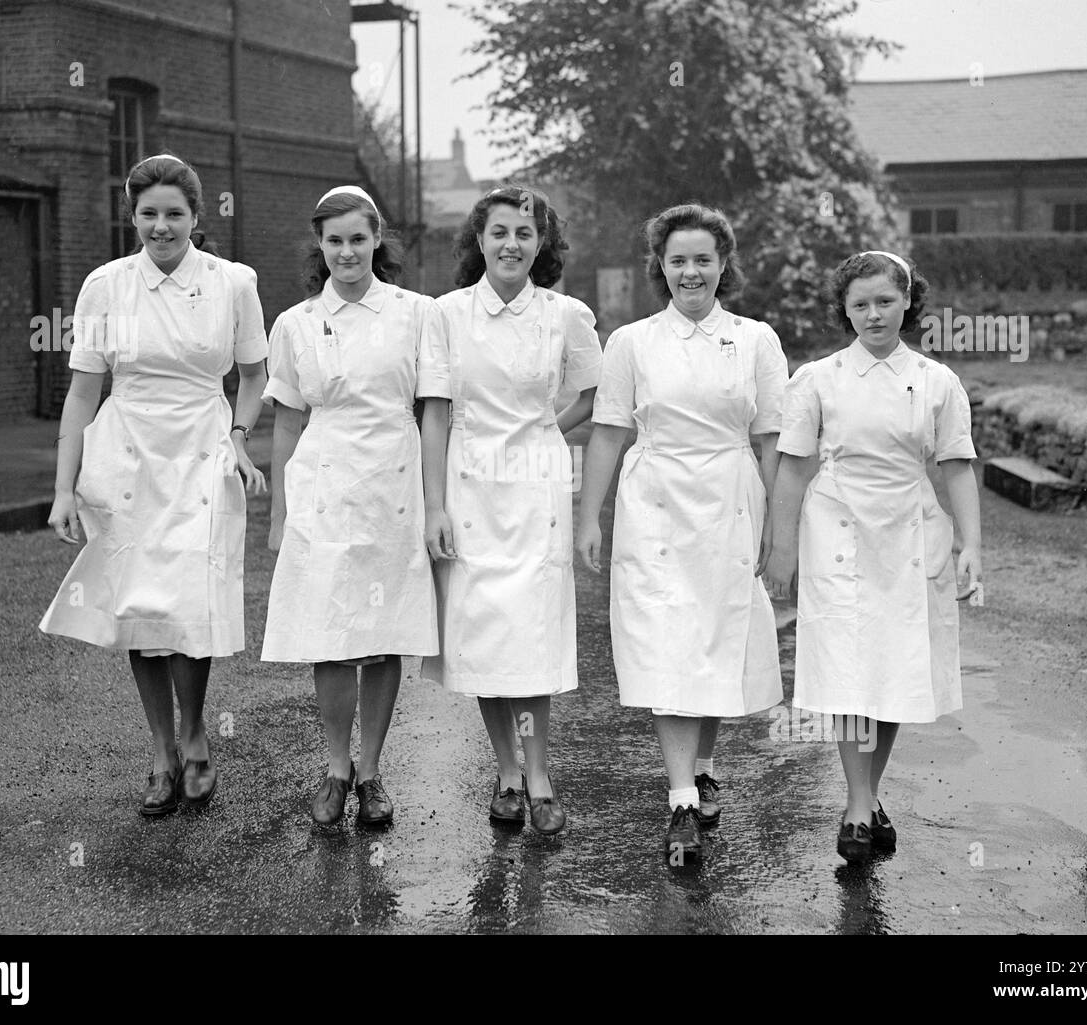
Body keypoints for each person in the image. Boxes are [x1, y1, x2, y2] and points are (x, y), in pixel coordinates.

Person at [39, 153, 269, 817]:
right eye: (149, 214)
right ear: (132, 216)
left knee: (189, 605)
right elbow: (82, 393)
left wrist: (240, 435)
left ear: (197, 218)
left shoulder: (234, 284)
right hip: (126, 454)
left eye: (174, 214)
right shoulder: (105, 286)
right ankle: (162, 750)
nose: (161, 226)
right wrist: (63, 488)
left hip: (201, 451)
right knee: (139, 606)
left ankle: (195, 731)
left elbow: (252, 375)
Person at [578, 203, 786, 860]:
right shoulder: (632, 342)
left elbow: (772, 437)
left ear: (724, 264)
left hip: (731, 498)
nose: (690, 270)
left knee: (717, 635)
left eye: (702, 258)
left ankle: (702, 764)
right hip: (654, 503)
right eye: (677, 260)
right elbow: (609, 429)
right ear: (660, 268)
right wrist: (591, 513)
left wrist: (781, 525)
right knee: (665, 638)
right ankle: (681, 801)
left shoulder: (756, 339)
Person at [763, 250, 982, 864]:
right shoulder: (817, 380)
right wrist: (782, 549)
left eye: (885, 301)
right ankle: (858, 807)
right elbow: (794, 469)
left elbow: (957, 466)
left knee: (891, 673)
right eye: (859, 304)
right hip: (835, 534)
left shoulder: (938, 382)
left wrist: (972, 544)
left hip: (910, 536)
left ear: (908, 300)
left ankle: (867, 795)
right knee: (848, 672)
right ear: (845, 310)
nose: (873, 314)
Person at [419, 184, 602, 834]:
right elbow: (435, 414)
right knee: (485, 636)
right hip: (469, 486)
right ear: (480, 239)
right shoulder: (446, 313)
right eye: (499, 231)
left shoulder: (565, 315)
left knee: (529, 635)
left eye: (525, 233)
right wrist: (433, 505)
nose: (511, 243)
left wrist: (548, 424)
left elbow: (595, 391)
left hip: (536, 487)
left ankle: (541, 774)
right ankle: (507, 773)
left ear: (542, 243)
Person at [261, 185, 438, 828]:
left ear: (376, 240)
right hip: (325, 485)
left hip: (394, 480)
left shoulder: (417, 314)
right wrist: (281, 512)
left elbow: (434, 408)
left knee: (384, 634)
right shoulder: (296, 323)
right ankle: (337, 768)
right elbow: (286, 422)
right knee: (331, 634)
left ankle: (371, 771)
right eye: (333, 241)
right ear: (321, 245)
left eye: (357, 239)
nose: (346, 252)